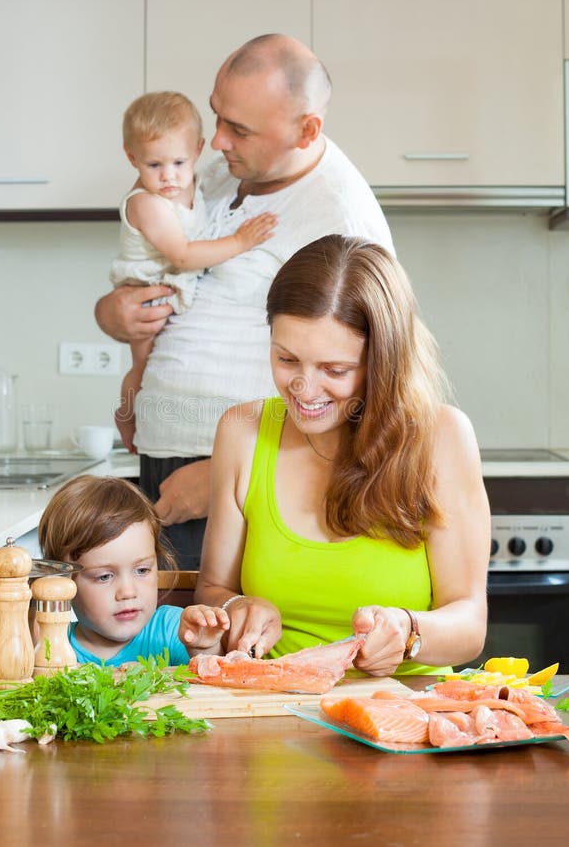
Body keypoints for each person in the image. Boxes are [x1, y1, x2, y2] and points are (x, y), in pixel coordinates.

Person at [95, 33, 394, 570]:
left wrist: (227, 472)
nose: (216, 141)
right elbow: (163, 273)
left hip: (243, 481)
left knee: (235, 643)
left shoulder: (341, 217)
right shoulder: (217, 173)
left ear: (307, 130)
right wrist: (114, 316)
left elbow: (374, 385)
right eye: (217, 117)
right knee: (175, 649)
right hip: (168, 455)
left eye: (238, 128)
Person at [194, 236, 491, 677]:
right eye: (287, 358)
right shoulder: (242, 432)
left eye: (335, 370)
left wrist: (408, 632)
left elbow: (469, 623)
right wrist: (238, 607)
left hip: (404, 713)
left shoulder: (441, 438)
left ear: (382, 362)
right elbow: (214, 588)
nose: (304, 388)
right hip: (270, 706)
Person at [110, 91, 277, 451]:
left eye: (179, 163)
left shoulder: (198, 182)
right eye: (154, 166)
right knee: (142, 366)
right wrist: (241, 241)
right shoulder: (147, 204)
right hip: (147, 291)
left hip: (171, 283)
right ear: (131, 157)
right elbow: (183, 255)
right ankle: (126, 414)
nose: (169, 177)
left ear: (199, 151)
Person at [38, 475, 229, 666]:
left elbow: (216, 680)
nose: (128, 592)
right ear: (61, 583)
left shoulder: (175, 629)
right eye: (104, 576)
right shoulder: (49, 646)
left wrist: (203, 649)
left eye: (142, 570)